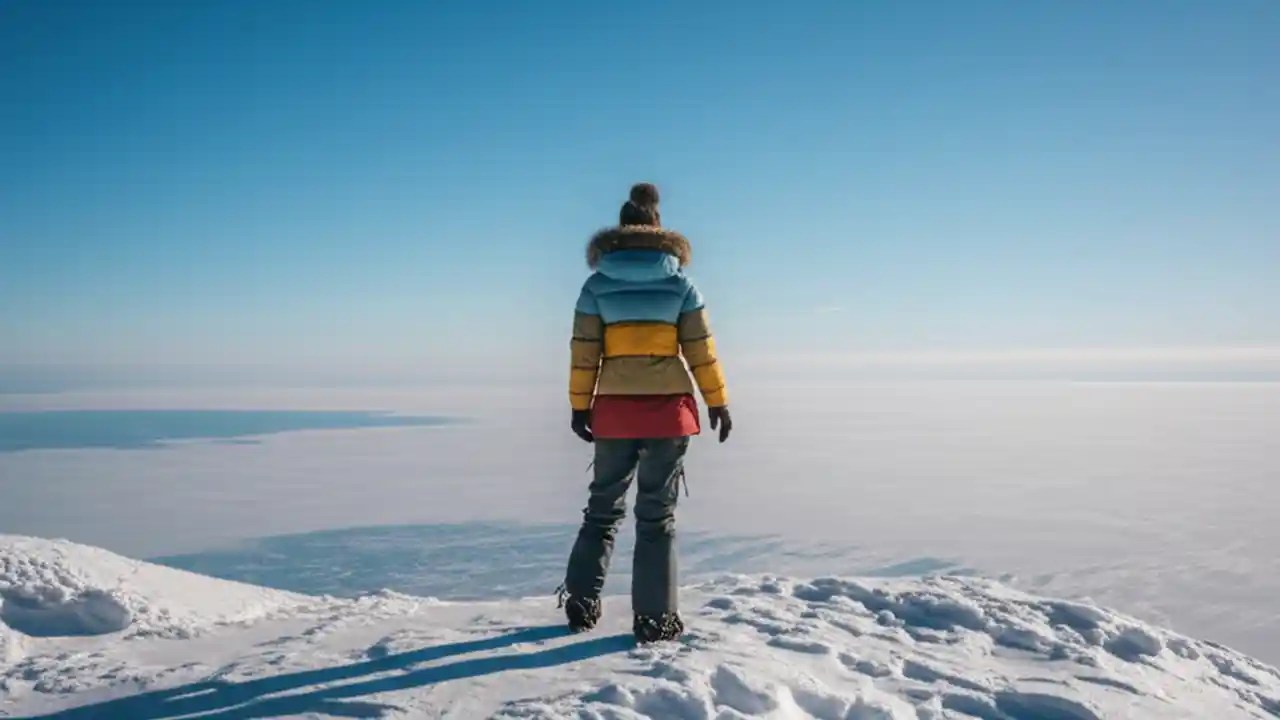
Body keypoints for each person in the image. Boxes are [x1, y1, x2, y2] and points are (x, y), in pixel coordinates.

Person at [560, 182, 733, 643]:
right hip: (666, 415)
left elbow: (584, 354)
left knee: (601, 510)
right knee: (657, 517)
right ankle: (655, 619)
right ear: (658, 230)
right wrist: (718, 401)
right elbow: (700, 350)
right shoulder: (680, 283)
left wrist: (580, 408)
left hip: (614, 414)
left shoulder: (596, 285)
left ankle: (580, 603)